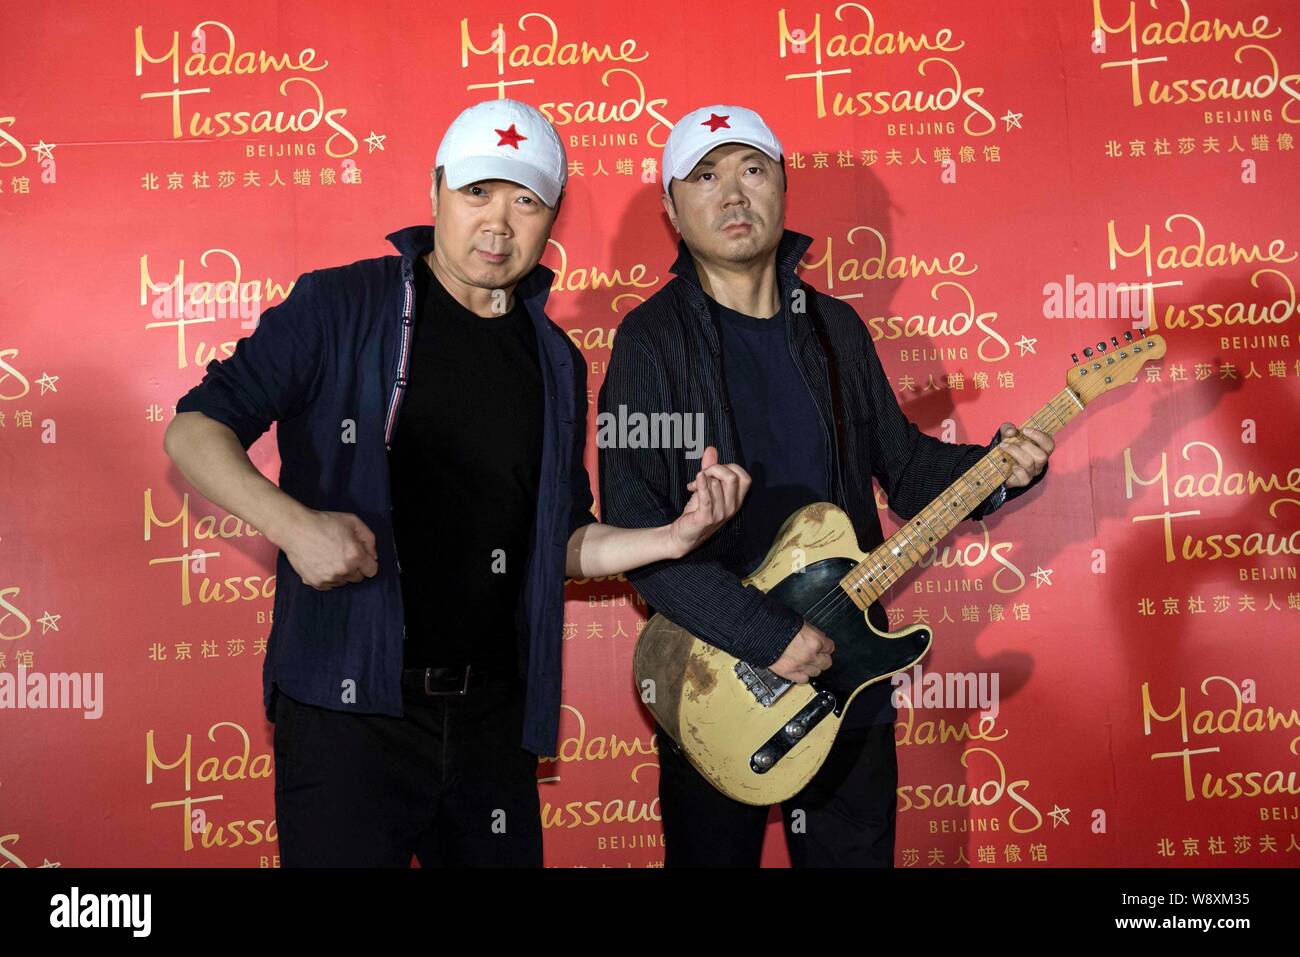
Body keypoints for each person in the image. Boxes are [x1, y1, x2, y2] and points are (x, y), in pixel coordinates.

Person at [163, 98, 752, 867]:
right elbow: (194, 430)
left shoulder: (555, 361)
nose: (499, 222)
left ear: (552, 217)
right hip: (350, 714)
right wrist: (291, 524)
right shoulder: (342, 305)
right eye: (478, 192)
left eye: (525, 199)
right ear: (437, 189)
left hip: (492, 724)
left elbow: (563, 542)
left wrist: (673, 537)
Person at [597, 104, 1054, 867]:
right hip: (718, 681)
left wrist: (1001, 468)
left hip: (852, 673)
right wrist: (769, 638)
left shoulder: (835, 327)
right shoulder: (651, 341)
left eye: (752, 169)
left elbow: (907, 472)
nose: (733, 194)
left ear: (782, 187)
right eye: (705, 176)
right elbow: (638, 537)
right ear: (673, 209)